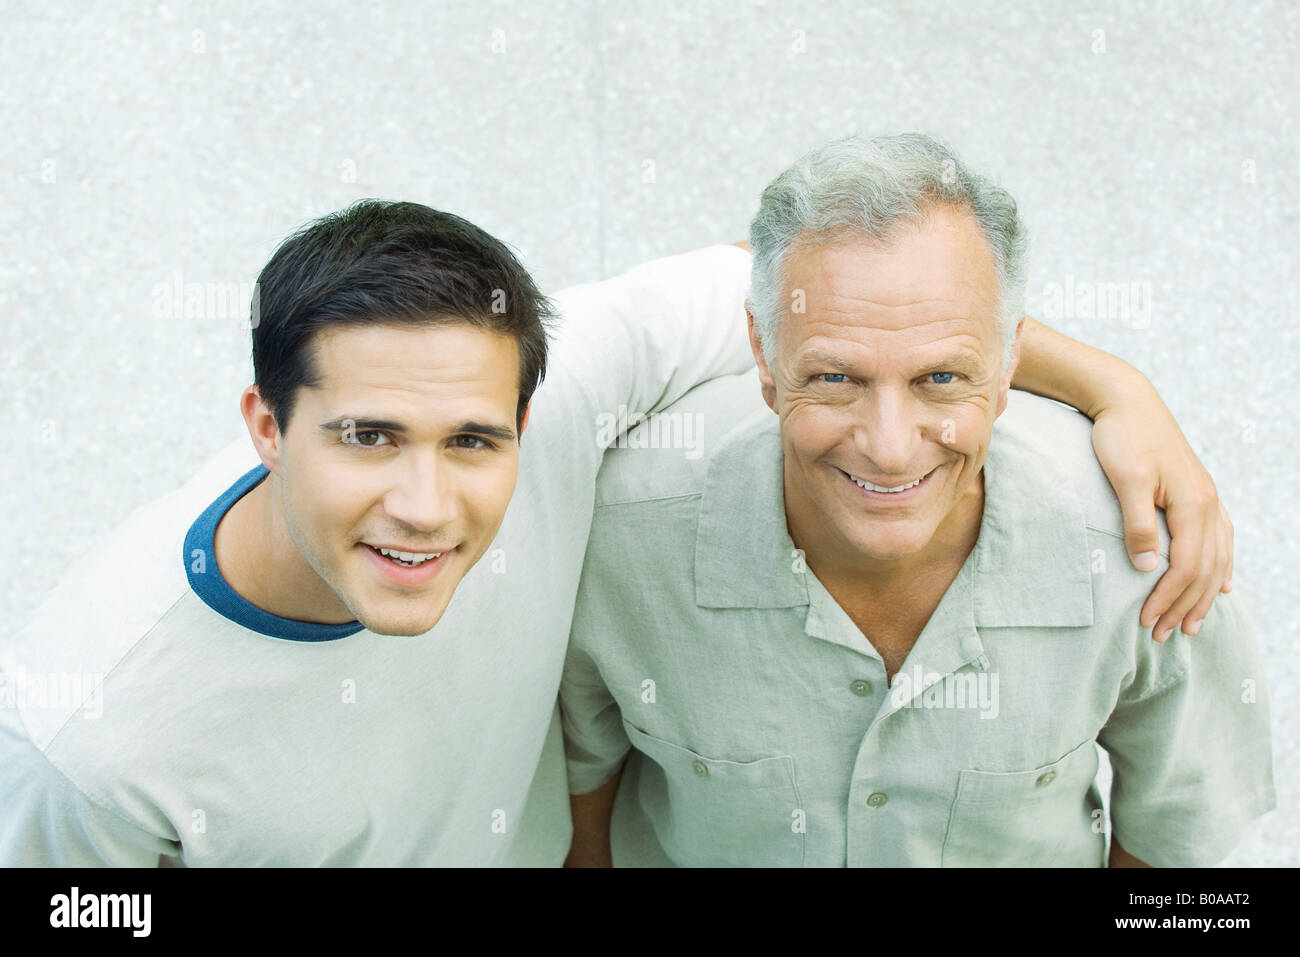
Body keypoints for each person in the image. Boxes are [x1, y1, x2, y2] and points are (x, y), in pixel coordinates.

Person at [0, 191, 1236, 866]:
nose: (426, 507)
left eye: (473, 443)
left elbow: (827, 310)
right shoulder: (90, 739)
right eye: (366, 438)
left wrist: (1115, 390)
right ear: (266, 426)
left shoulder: (559, 398)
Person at [561, 133, 1273, 867]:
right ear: (764, 361)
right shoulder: (618, 540)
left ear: (1009, 368)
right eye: (837, 378)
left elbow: (1171, 841)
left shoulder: (1142, 553)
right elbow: (582, 799)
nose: (891, 446)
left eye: (939, 378)